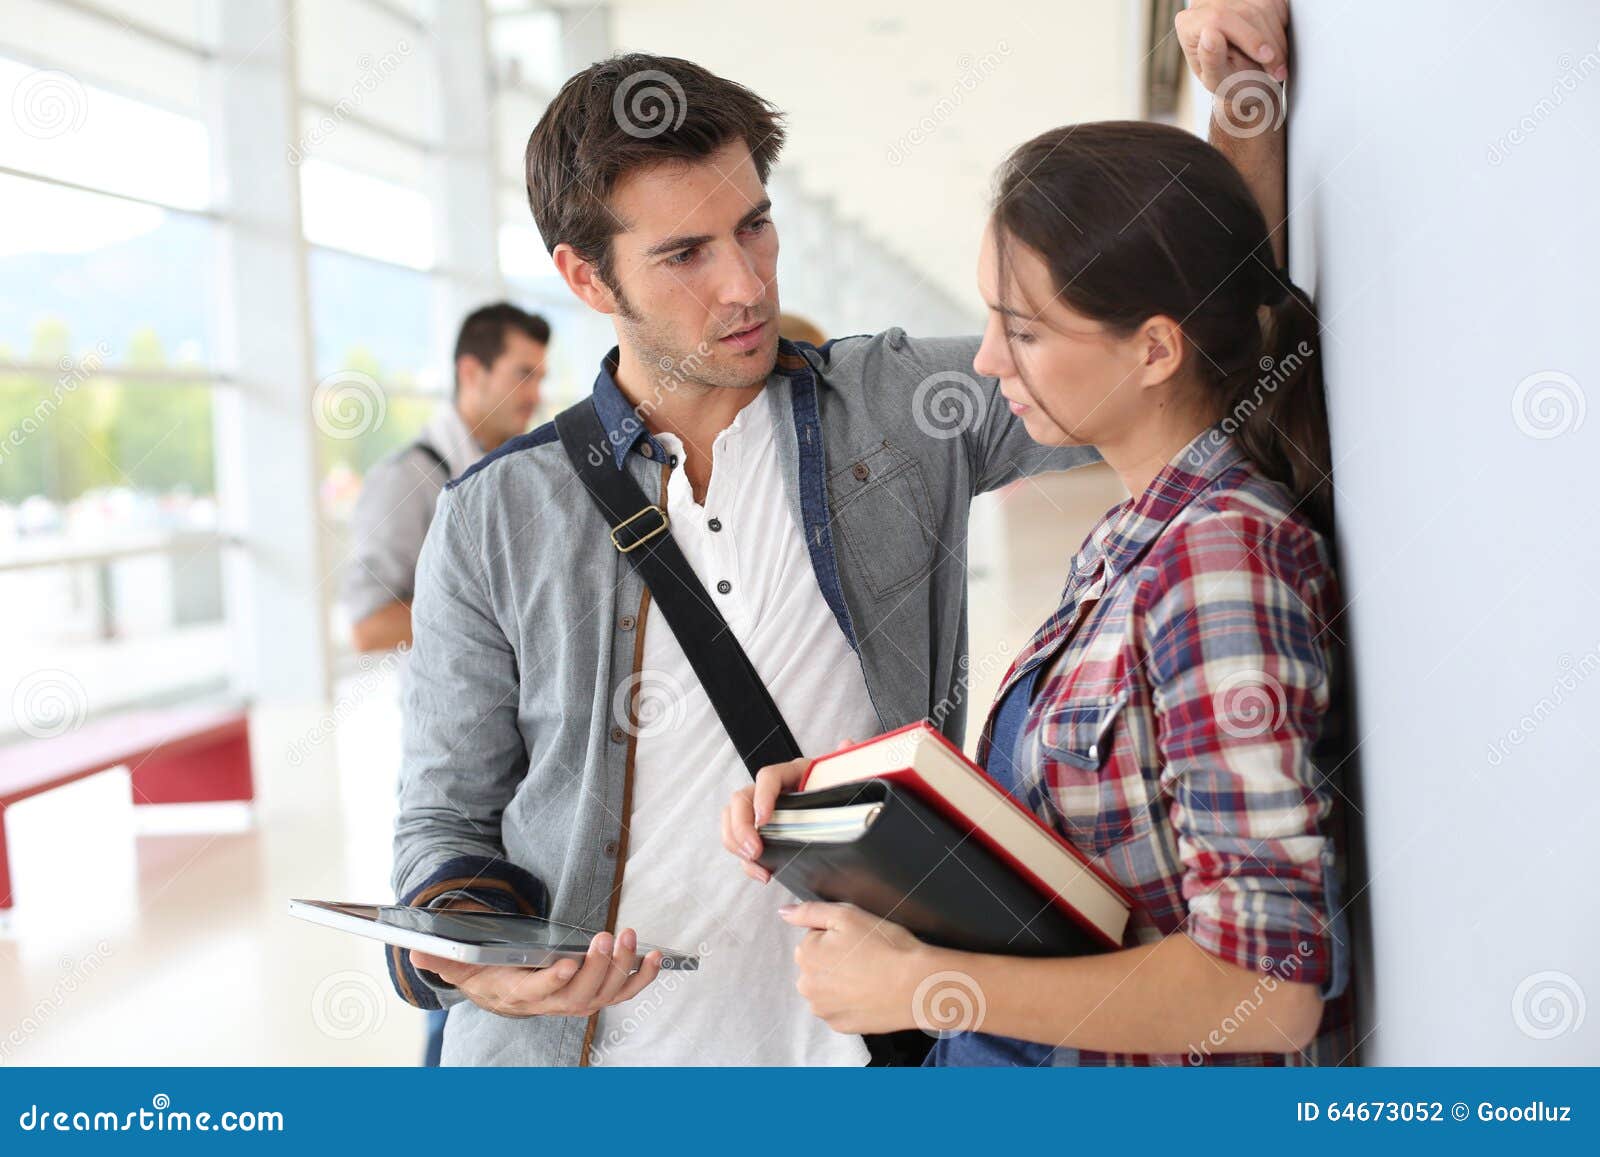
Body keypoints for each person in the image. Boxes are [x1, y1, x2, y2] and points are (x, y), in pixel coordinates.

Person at [386, 53, 1108, 1067]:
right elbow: (442, 818)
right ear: (586, 277)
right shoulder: (494, 515)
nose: (747, 282)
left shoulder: (900, 408)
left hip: (859, 1056)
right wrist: (476, 959)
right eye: (685, 253)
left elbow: (1171, 352)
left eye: (754, 225)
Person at [723, 0, 1356, 1065]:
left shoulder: (1214, 563)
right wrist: (853, 812)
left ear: (1153, 350)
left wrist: (924, 984)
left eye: (1022, 328)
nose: (982, 362)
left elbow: (1265, 987)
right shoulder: (1137, 535)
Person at [338, 301, 549, 1065]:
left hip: (527, 745)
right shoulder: (411, 478)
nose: (534, 394)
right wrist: (476, 620)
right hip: (452, 746)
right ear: (471, 371)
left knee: (510, 943)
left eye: (541, 377)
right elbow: (364, 625)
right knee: (451, 948)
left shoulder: (525, 475)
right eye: (522, 374)